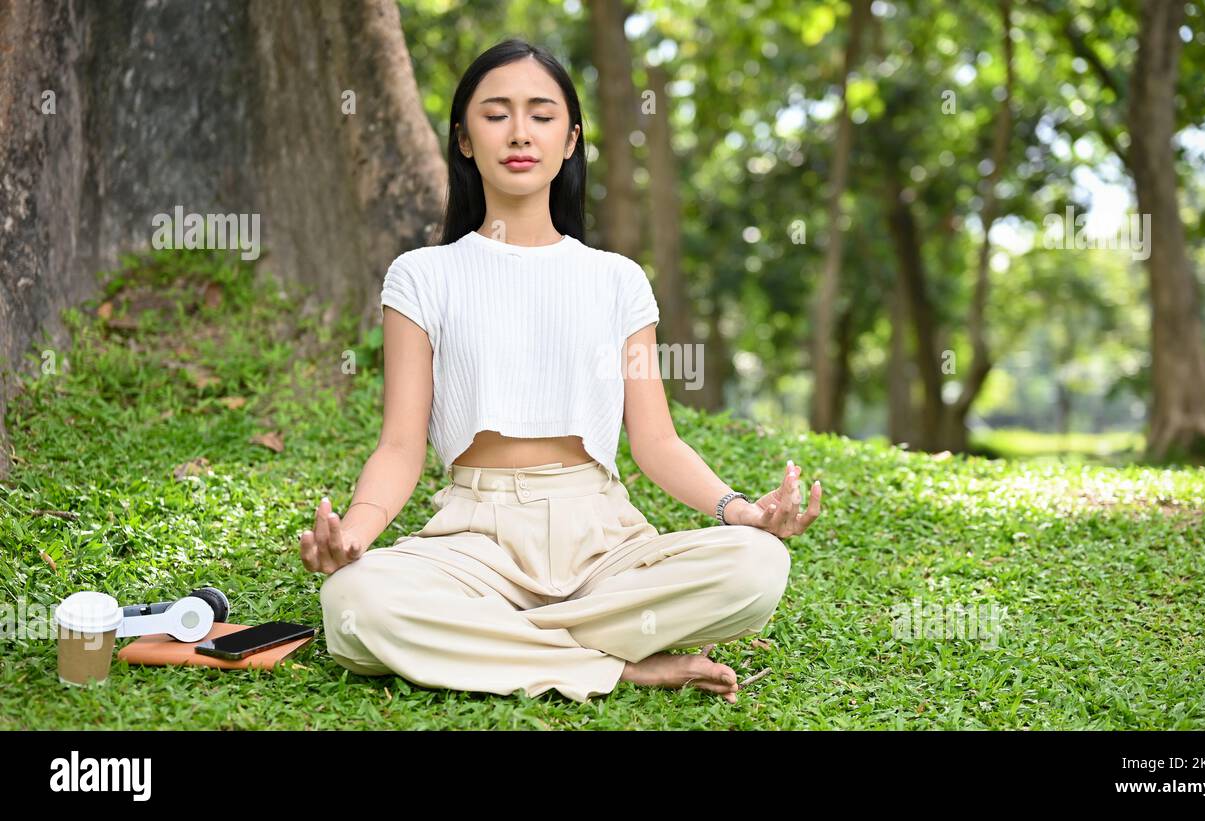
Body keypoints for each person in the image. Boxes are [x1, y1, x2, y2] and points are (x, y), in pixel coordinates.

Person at [300, 38, 823, 704]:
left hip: (603, 539)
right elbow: (400, 446)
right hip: (475, 537)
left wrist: (740, 509)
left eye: (541, 114)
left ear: (571, 139)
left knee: (758, 565)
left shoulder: (618, 281)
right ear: (463, 139)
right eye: (496, 114)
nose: (519, 131)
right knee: (354, 604)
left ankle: (509, 643)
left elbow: (656, 442)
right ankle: (618, 663)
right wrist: (355, 532)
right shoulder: (422, 278)